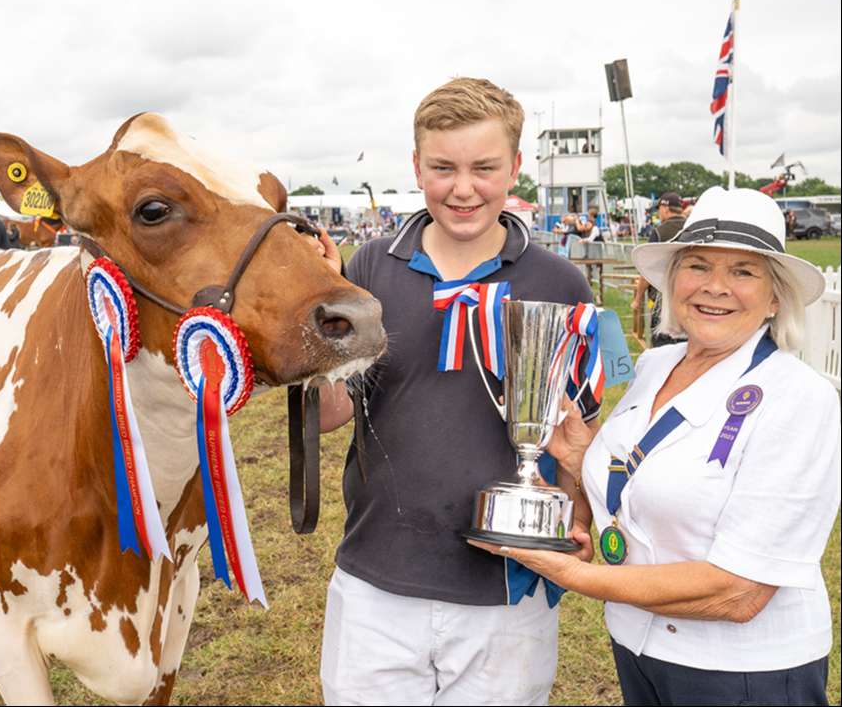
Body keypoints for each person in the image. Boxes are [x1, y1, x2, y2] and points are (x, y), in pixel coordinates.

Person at [471, 186, 840, 706]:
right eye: (697, 266)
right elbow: (638, 484)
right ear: (673, 280)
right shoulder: (655, 367)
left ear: (775, 296)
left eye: (743, 271)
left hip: (742, 673)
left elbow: (740, 592)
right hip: (638, 647)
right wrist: (580, 459)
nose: (715, 288)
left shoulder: (801, 399)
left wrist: (577, 576)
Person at [315, 77, 599, 706]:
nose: (463, 188)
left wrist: (575, 510)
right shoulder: (368, 267)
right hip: (376, 579)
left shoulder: (560, 283)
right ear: (417, 166)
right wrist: (303, 334)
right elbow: (336, 413)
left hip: (506, 590)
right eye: (442, 167)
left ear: (515, 167)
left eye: (484, 168)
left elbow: (583, 430)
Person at [631, 192, 686, 346]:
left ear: (665, 208)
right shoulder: (692, 227)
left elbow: (646, 272)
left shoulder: (659, 232)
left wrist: (638, 298)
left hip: (663, 299)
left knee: (662, 347)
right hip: (689, 298)